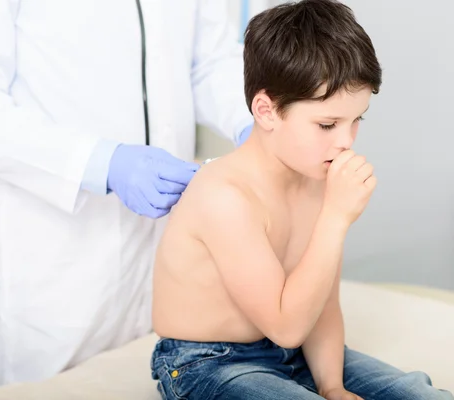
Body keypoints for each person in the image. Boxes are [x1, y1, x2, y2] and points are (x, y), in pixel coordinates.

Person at [0, 0, 253, 388]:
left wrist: (255, 121)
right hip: (58, 260)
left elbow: (209, 61)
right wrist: (101, 162)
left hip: (168, 254)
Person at [150, 1, 454, 399]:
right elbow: (285, 325)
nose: (345, 141)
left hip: (291, 351)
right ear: (267, 111)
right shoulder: (225, 196)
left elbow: (321, 305)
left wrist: (333, 386)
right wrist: (336, 217)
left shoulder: (315, 178)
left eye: (357, 119)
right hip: (207, 362)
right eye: (327, 124)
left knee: (418, 394)